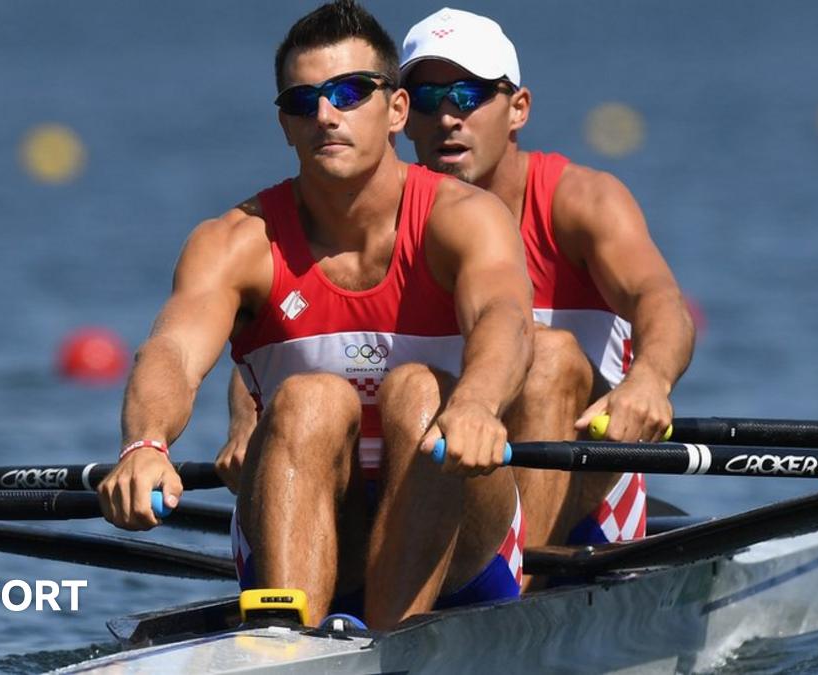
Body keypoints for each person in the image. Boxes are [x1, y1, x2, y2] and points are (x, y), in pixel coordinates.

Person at [98, 0, 534, 629]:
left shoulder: (463, 219)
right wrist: (145, 444)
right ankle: (293, 644)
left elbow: (506, 319)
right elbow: (170, 352)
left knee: (420, 391)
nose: (325, 114)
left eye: (350, 92)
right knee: (308, 399)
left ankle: (387, 639)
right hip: (307, 519)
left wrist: (478, 403)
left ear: (397, 110)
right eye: (303, 102)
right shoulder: (236, 241)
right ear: (286, 124)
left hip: (463, 541)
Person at [396, 8, 697, 566]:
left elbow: (661, 301)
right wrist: (248, 423)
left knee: (549, 353)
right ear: (401, 116)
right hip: (450, 482)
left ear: (518, 109)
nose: (446, 118)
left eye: (467, 95)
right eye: (427, 98)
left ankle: (513, 599)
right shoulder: (377, 217)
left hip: (584, 503)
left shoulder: (583, 202)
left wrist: (649, 380)